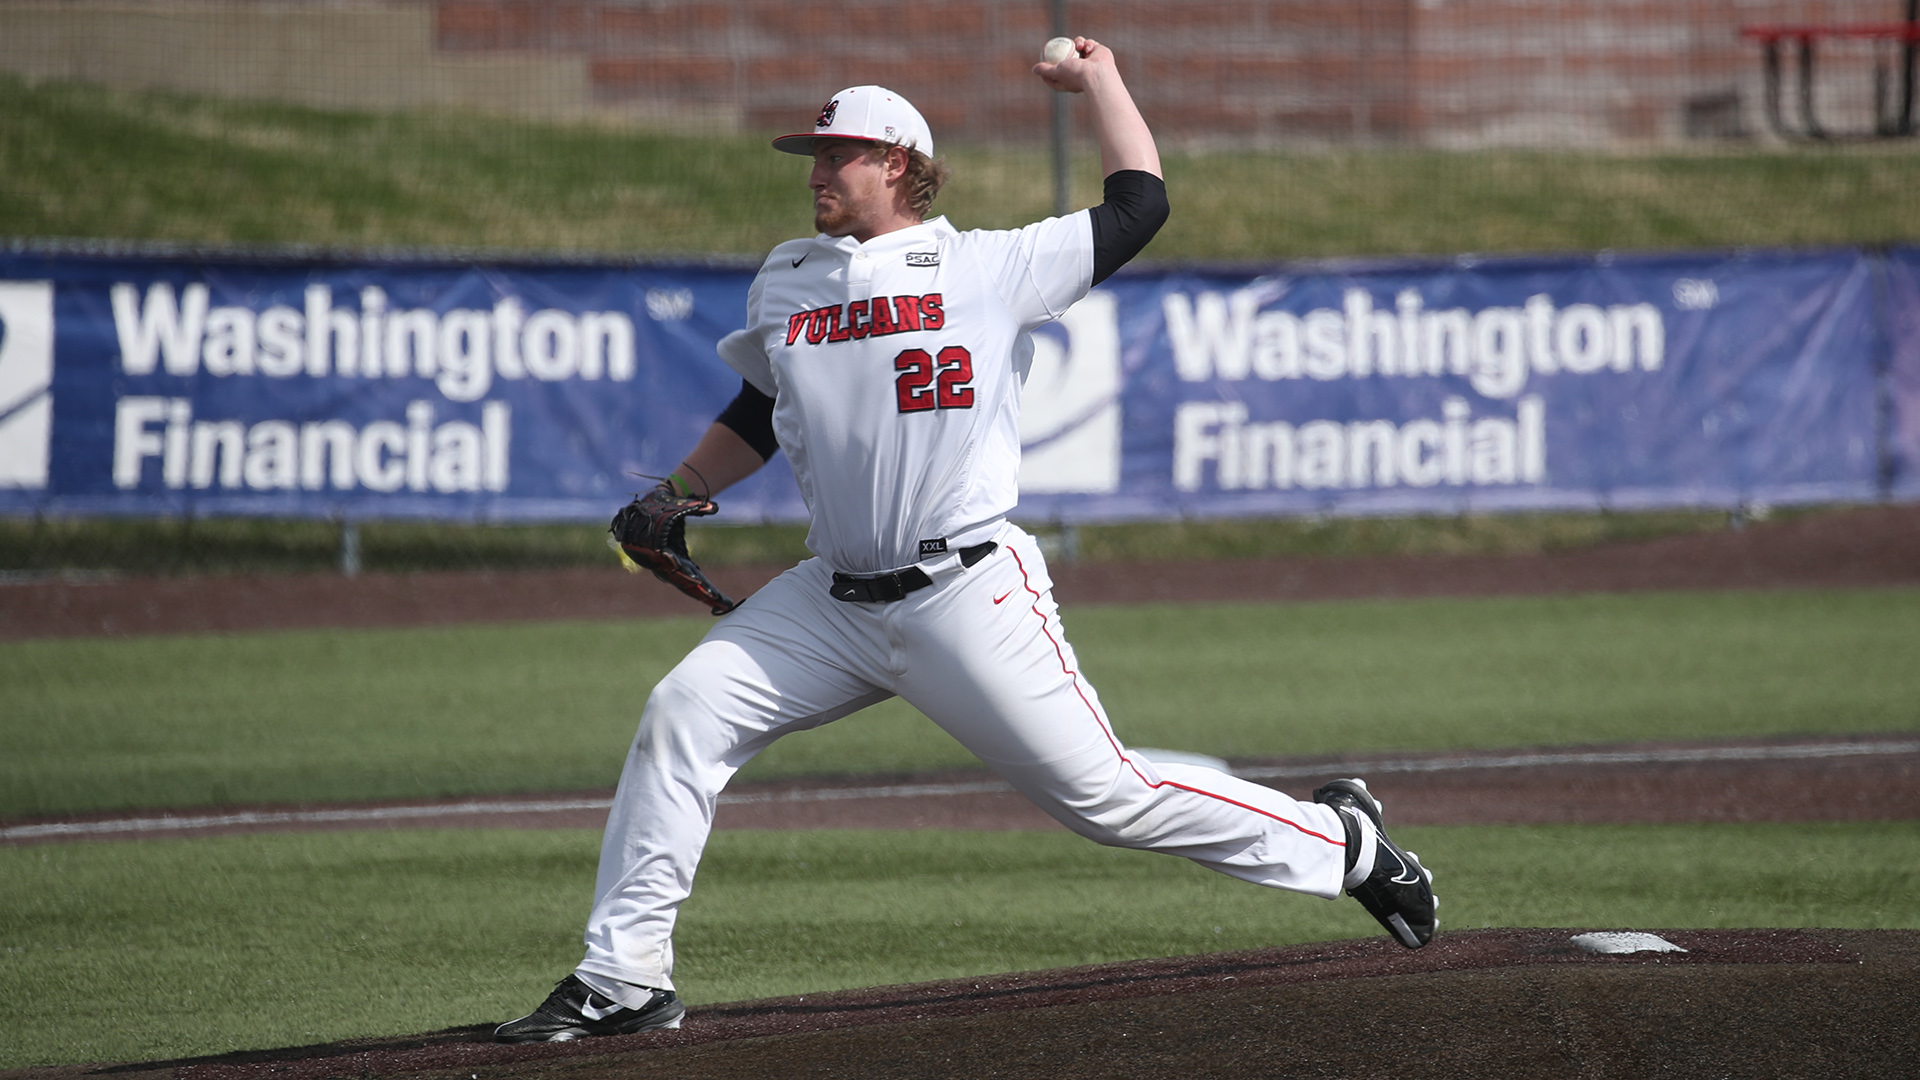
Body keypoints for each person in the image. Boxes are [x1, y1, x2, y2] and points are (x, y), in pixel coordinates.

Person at [495, 39, 1437, 1044]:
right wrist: (677, 492)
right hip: (831, 599)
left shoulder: (988, 267)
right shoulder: (788, 280)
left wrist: (1100, 78)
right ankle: (624, 976)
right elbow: (760, 409)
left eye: (837, 155)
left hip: (966, 592)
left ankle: (1345, 843)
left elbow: (1139, 205)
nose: (815, 172)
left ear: (897, 162)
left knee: (1106, 796)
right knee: (684, 711)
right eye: (813, 155)